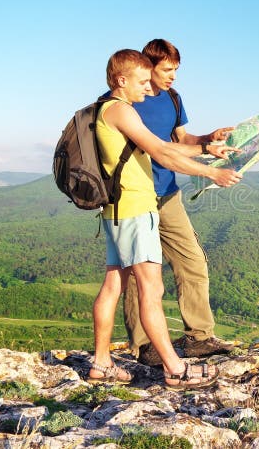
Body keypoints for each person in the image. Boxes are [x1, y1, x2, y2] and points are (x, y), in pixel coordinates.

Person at [88, 49, 241, 388]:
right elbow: (160, 152)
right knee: (151, 288)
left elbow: (168, 145)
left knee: (114, 285)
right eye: (143, 81)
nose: (147, 88)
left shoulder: (108, 110)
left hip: (117, 209)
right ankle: (175, 368)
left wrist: (205, 147)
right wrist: (210, 173)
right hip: (135, 207)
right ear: (122, 80)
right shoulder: (121, 112)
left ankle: (101, 363)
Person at [122, 39, 239, 366]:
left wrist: (207, 139)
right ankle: (144, 346)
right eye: (167, 70)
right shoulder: (128, 103)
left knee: (192, 260)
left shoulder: (173, 98)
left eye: (176, 70)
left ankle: (199, 338)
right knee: (138, 272)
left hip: (168, 194)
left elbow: (180, 140)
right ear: (148, 66)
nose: (173, 76)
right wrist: (210, 171)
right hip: (134, 195)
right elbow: (162, 152)